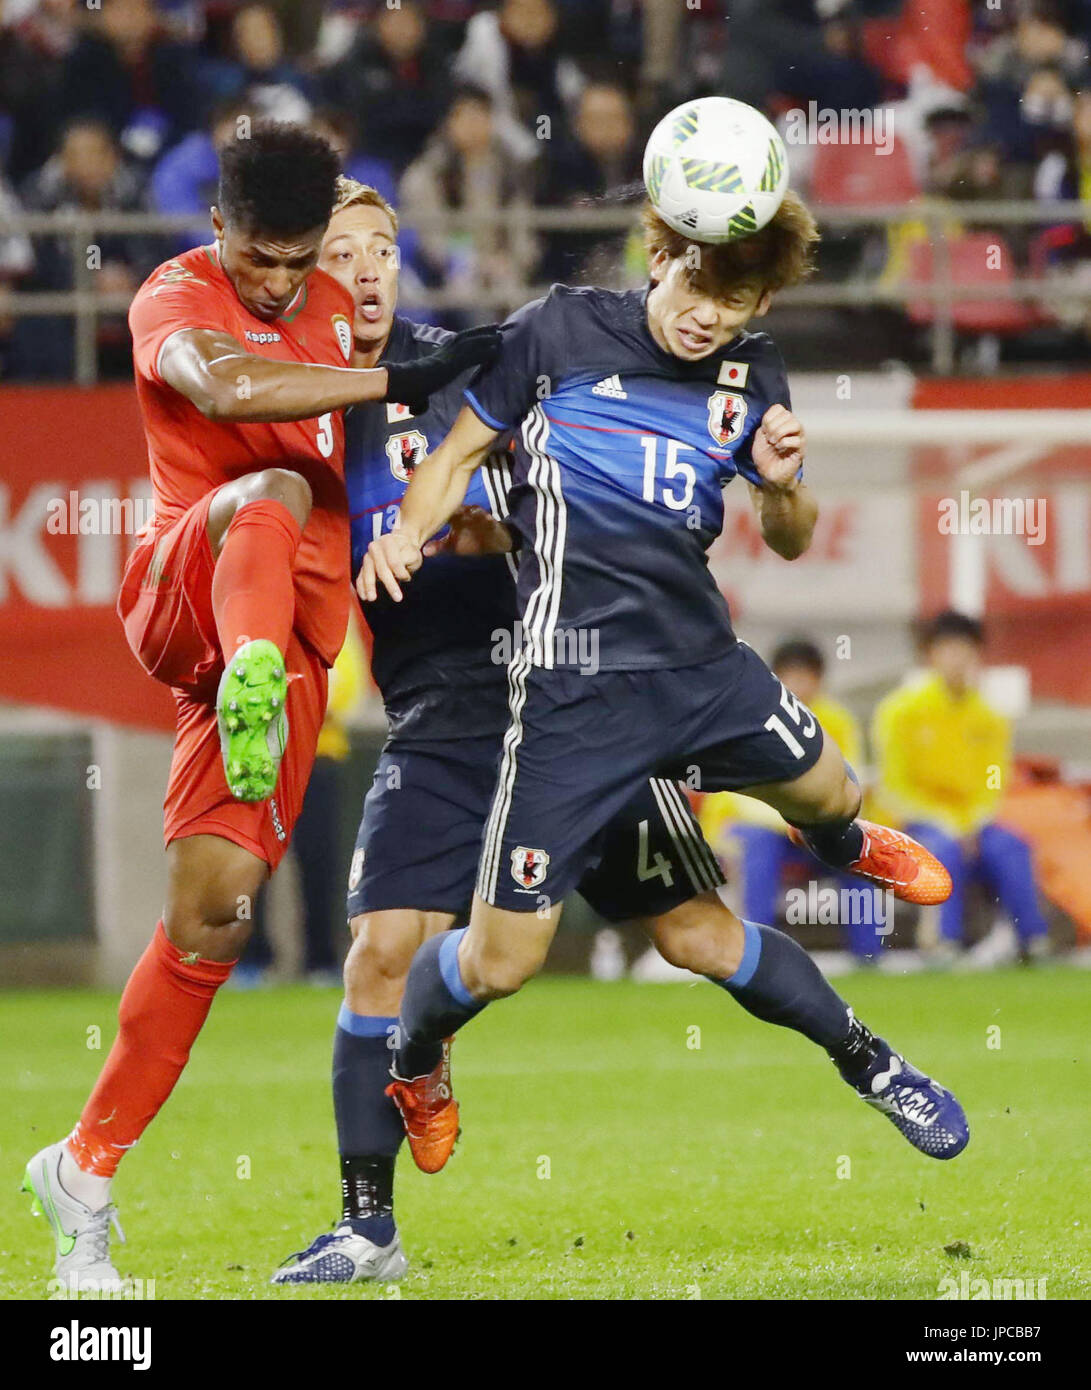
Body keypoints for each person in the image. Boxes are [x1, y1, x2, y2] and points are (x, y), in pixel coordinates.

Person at [360, 189, 971, 1242]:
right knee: (500, 963)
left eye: (736, 304)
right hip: (570, 695)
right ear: (659, 253)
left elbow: (784, 534)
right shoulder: (555, 330)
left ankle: (869, 1047)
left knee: (832, 790)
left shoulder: (751, 372)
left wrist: (780, 488)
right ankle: (413, 1058)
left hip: (698, 668)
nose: (707, 318)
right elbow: (457, 453)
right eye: (698, 287)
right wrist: (407, 533)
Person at [21, 120, 501, 1293]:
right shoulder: (173, 296)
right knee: (272, 486)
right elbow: (225, 385)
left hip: (289, 646)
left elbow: (405, 446)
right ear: (219, 228)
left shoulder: (339, 302)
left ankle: (81, 1172)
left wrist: (451, 485)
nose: (283, 279)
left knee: (213, 919)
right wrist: (397, 375)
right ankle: (243, 670)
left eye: (302, 258)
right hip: (190, 587)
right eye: (261, 257)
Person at [271, 176, 730, 1284]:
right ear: (297, 271)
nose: (369, 267)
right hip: (430, 711)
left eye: (382, 246)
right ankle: (364, 1225)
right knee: (379, 952)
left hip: (557, 698)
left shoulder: (476, 363)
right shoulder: (290, 405)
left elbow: (581, 489)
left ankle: (868, 1051)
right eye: (342, 251)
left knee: (694, 934)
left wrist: (503, 521)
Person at [872, 610, 1050, 965]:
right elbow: (893, 788)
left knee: (1012, 846)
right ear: (930, 655)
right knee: (942, 848)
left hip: (975, 823)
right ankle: (941, 944)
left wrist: (971, 822)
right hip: (913, 823)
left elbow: (993, 785)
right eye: (947, 649)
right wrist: (949, 823)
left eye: (965, 649)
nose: (957, 658)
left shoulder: (990, 716)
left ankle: (1033, 940)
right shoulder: (899, 711)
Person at [700, 637, 884, 963]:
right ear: (776, 678)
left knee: (856, 849)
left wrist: (817, 823)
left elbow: (848, 782)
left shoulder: (838, 721)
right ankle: (756, 955)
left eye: (806, 675)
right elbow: (743, 794)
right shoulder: (753, 718)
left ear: (820, 679)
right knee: (757, 845)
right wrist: (792, 820)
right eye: (790, 675)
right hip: (759, 828)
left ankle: (869, 955)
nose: (799, 684)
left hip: (816, 828)